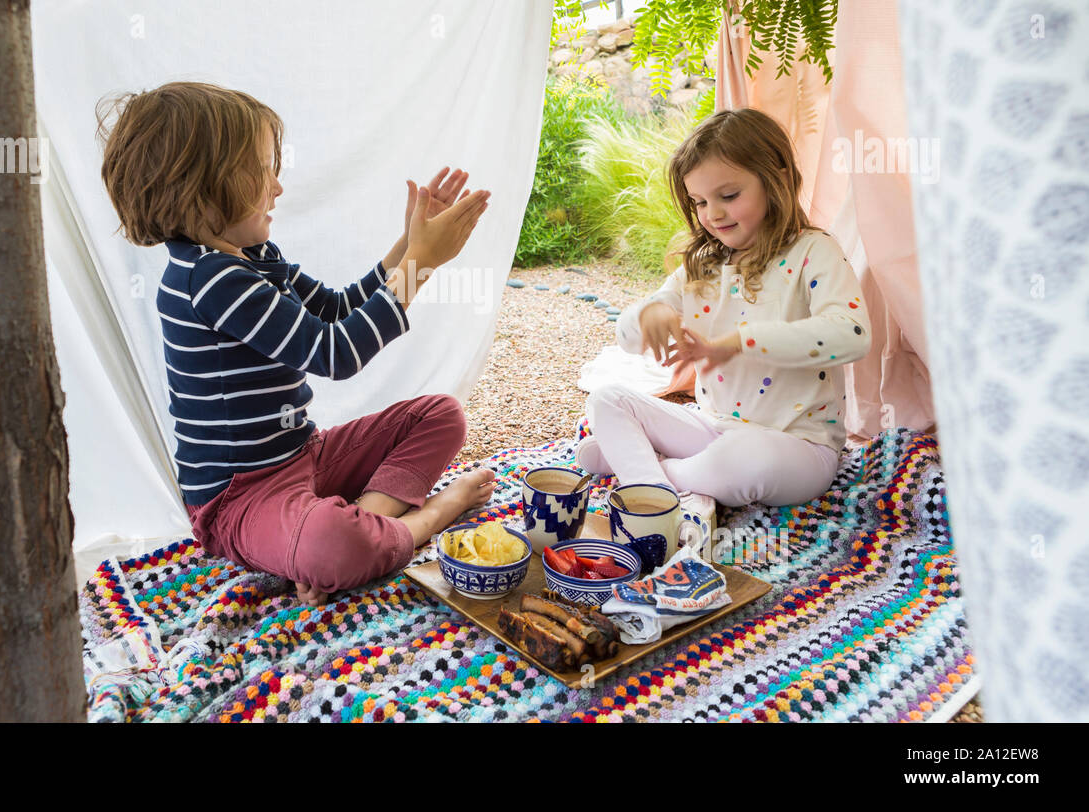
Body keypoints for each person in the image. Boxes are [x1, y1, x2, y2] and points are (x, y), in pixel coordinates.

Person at [98, 81, 496, 607]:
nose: (278, 188)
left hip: (303, 454)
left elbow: (334, 308)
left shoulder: (255, 254)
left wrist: (407, 247)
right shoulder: (210, 279)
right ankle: (428, 516)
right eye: (263, 170)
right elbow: (336, 353)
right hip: (239, 498)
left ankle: (358, 527)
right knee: (333, 545)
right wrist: (420, 266)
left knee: (441, 413)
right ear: (203, 187)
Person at [576, 108, 872, 510]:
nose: (712, 214)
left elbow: (852, 334)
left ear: (776, 180)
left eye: (728, 196)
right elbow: (628, 340)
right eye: (699, 201)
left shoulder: (814, 252)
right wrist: (651, 313)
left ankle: (649, 474)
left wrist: (740, 342)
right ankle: (652, 484)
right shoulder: (702, 266)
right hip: (713, 427)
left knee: (746, 461)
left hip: (797, 446)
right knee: (607, 399)